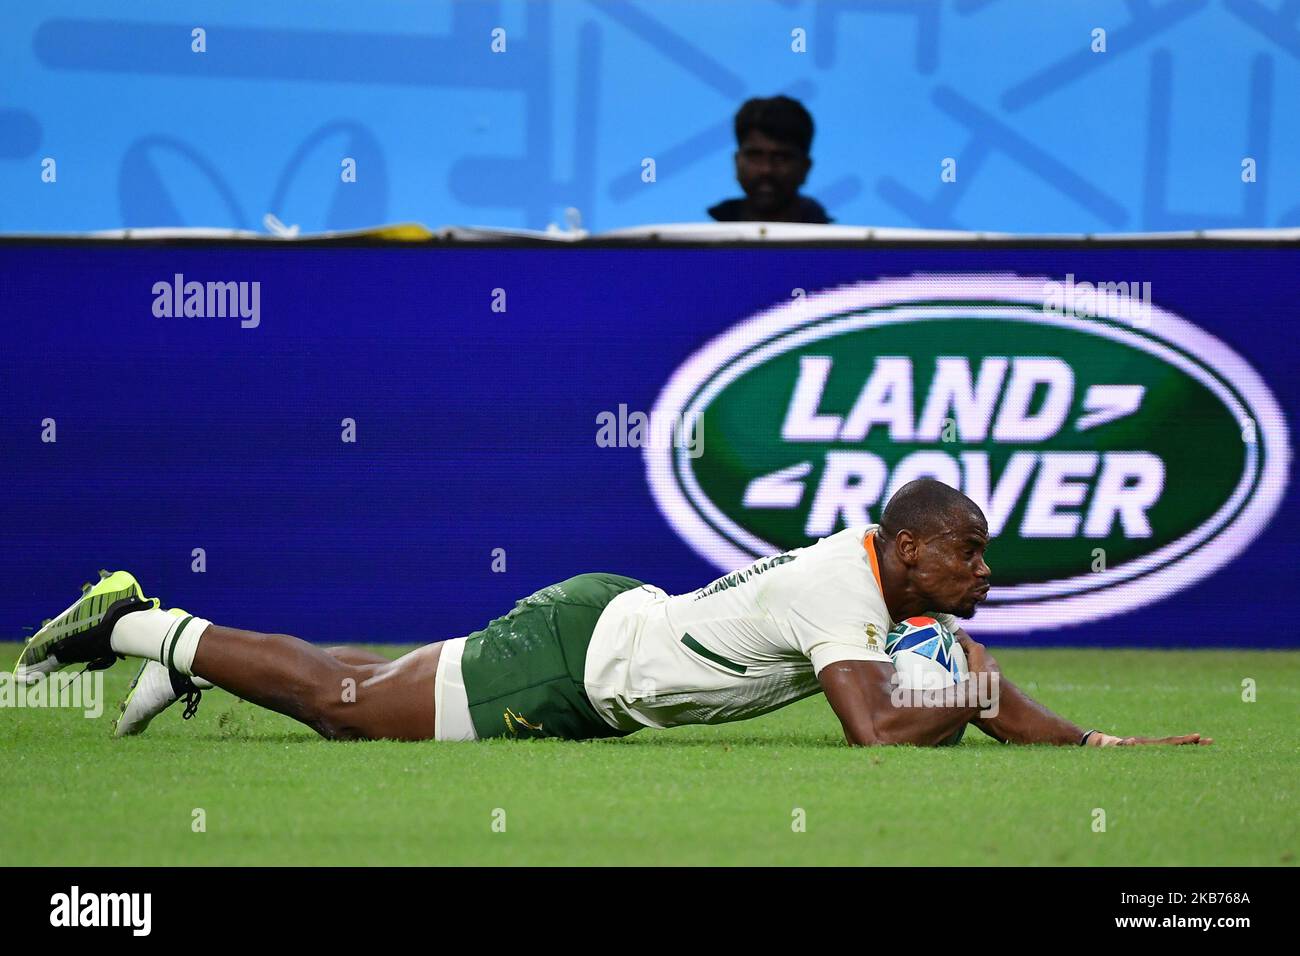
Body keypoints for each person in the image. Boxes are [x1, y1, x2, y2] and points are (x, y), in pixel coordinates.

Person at [16, 479, 1211, 748]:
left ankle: (199, 659)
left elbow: (962, 710)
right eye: (965, 555)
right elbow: (883, 736)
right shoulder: (849, 589)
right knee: (345, 709)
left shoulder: (874, 582)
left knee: (361, 676)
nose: (981, 571)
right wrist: (964, 683)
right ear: (904, 550)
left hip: (602, 624)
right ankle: (141, 621)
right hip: (571, 664)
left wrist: (1103, 745)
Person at [708, 95, 834, 224]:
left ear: (805, 167)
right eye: (755, 156)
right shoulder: (701, 242)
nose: (766, 169)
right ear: (736, 162)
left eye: (781, 157)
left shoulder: (838, 243)